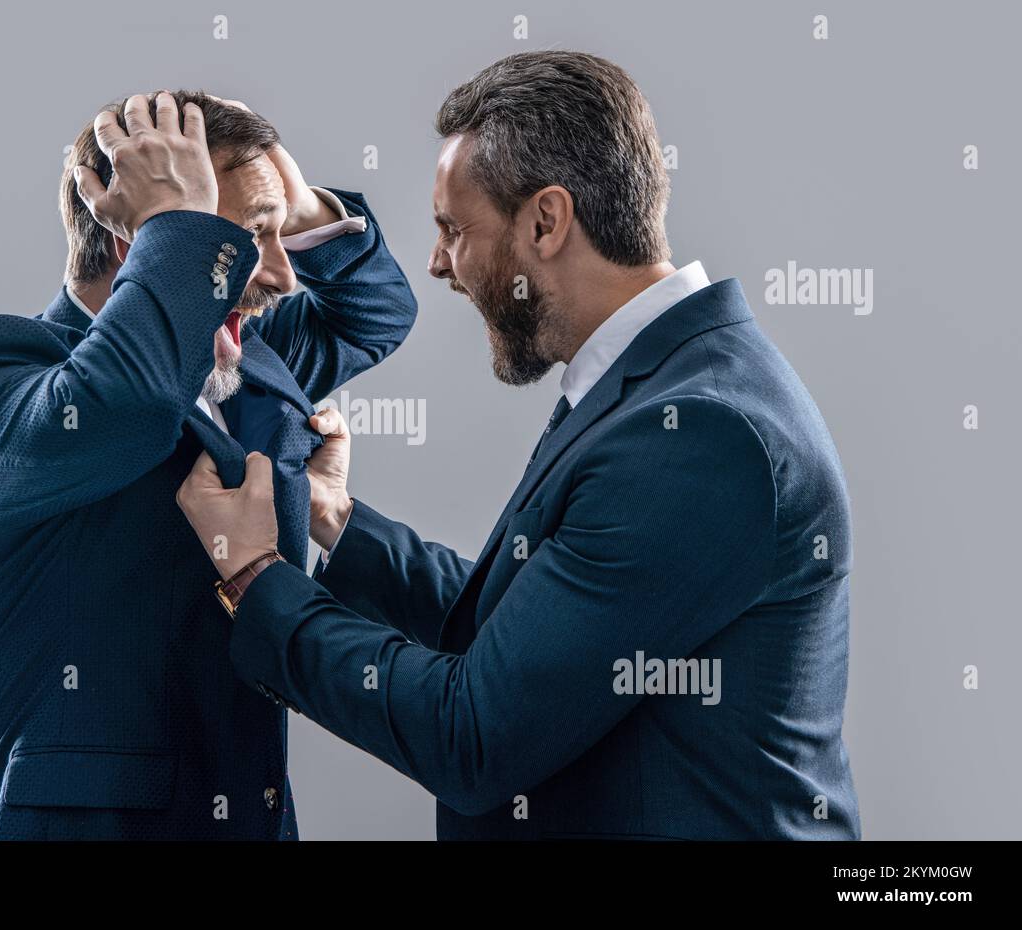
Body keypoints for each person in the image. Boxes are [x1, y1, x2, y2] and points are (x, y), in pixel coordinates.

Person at [176, 52, 861, 840]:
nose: (437, 264)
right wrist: (336, 517)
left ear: (546, 221)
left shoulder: (700, 433)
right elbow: (522, 633)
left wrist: (258, 577)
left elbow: (471, 735)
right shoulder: (660, 385)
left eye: (452, 230)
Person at [0, 90, 416, 839]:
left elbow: (375, 313)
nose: (280, 275)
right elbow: (130, 404)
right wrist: (176, 226)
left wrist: (299, 208)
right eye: (245, 239)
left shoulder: (240, 360)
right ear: (135, 239)